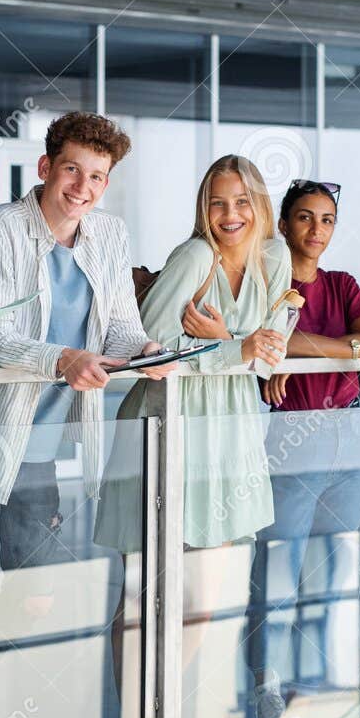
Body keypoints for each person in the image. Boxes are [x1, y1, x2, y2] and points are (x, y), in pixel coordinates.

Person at [0, 111, 171, 718]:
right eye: (72, 170)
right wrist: (63, 359)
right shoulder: (1, 227)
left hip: (41, 458)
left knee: (32, 604)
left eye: (97, 176)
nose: (82, 187)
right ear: (45, 168)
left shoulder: (109, 235)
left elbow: (118, 326)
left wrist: (147, 347)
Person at [239, 179, 360, 718]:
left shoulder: (342, 284)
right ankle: (266, 684)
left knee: (333, 573)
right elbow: (270, 340)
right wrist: (351, 352)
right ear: (283, 225)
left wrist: (307, 347)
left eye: (328, 219)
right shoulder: (265, 281)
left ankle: (322, 681)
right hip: (289, 448)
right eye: (305, 218)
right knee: (276, 574)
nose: (316, 230)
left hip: (346, 449)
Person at [100, 154, 290, 550]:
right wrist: (235, 347)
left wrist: (224, 340)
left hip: (232, 429)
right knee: (141, 598)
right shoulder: (196, 256)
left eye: (241, 201)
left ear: (259, 205)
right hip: (169, 418)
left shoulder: (275, 257)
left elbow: (269, 357)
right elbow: (150, 345)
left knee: (208, 600)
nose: (230, 213)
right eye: (217, 202)